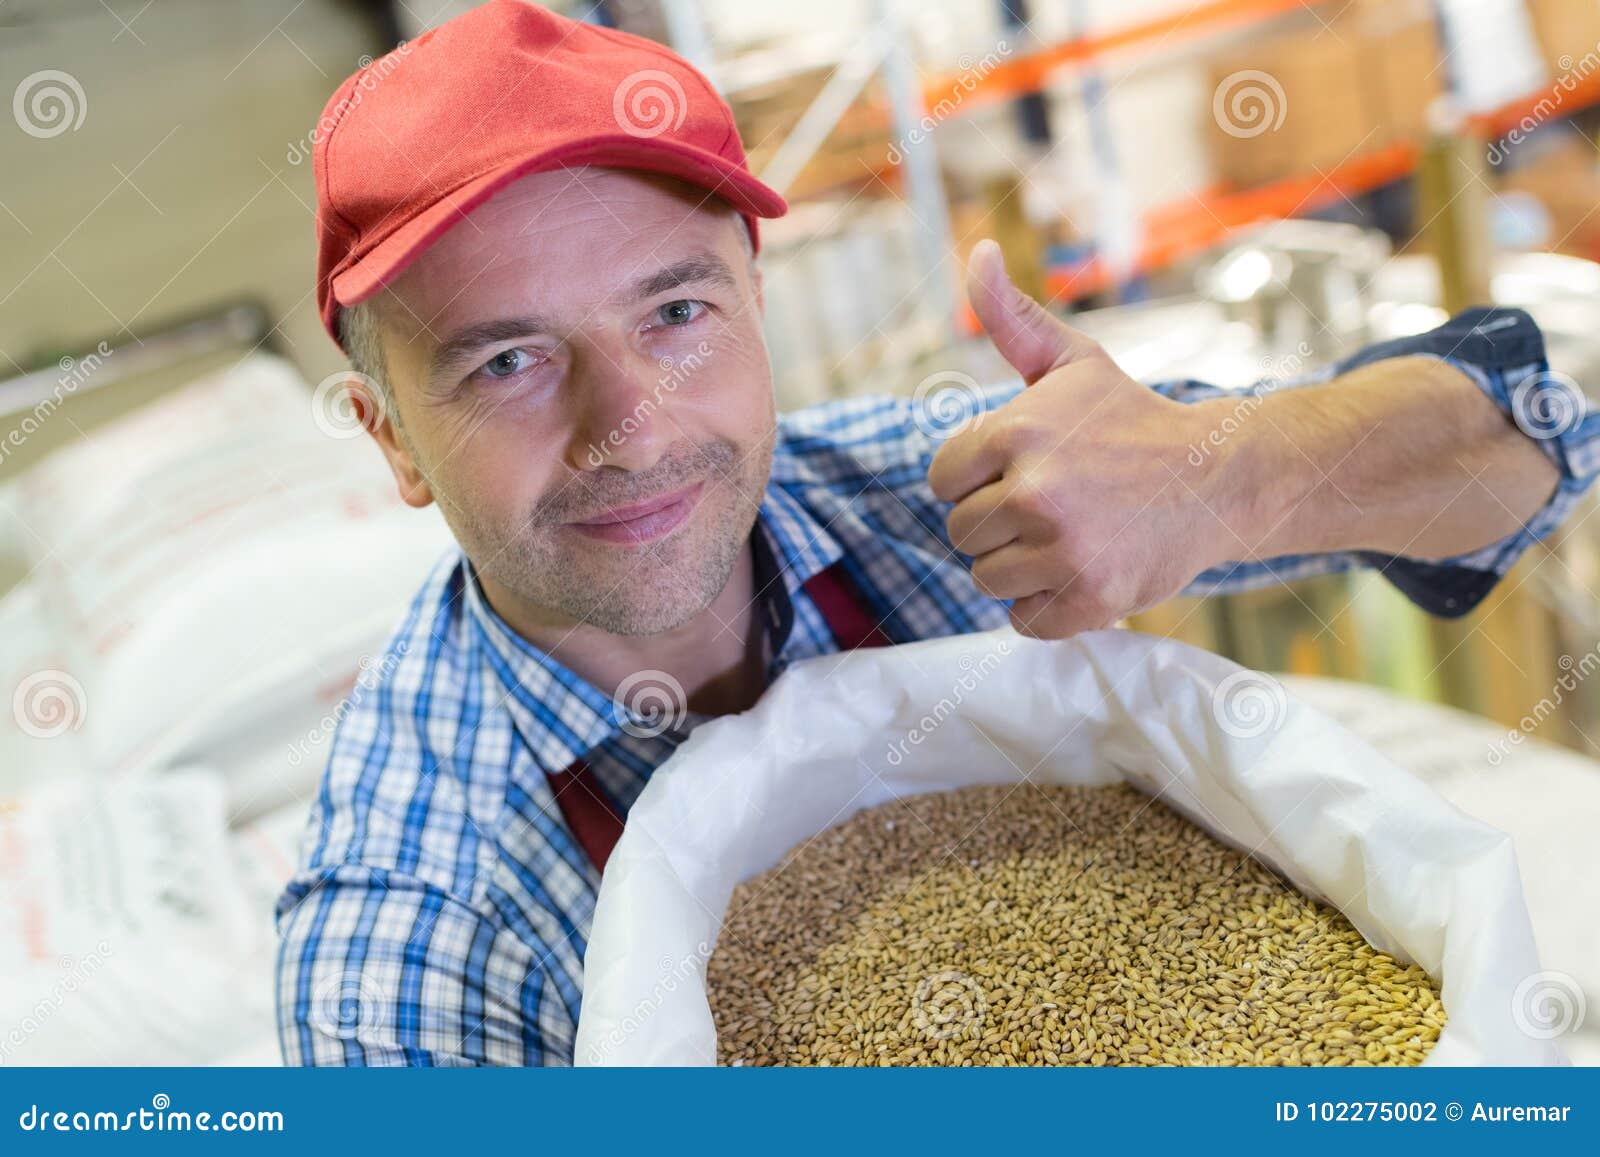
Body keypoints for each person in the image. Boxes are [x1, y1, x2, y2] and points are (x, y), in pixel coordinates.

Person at [276, 0, 1599, 1065]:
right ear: (391, 441)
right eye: (506, 361)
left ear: (754, 303)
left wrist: (1226, 479)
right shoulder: (408, 959)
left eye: (676, 314)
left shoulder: (933, 486)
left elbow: (1535, 447)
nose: (628, 428)